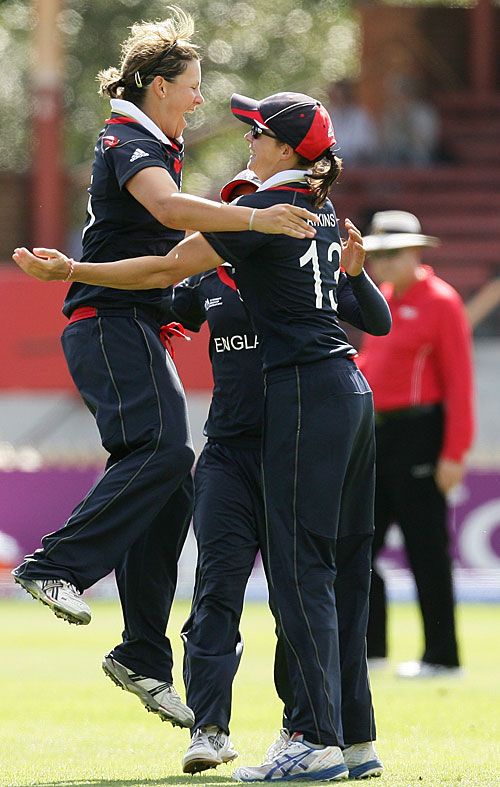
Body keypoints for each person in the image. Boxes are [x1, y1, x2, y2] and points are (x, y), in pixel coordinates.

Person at [13, 89, 392, 781]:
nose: (247, 137)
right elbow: (360, 310)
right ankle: (356, 736)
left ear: (284, 149)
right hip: (351, 393)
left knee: (301, 571)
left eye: (256, 131)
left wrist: (72, 271)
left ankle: (313, 738)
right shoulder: (323, 211)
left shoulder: (253, 214)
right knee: (341, 573)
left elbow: (161, 270)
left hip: (303, 393)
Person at [11, 7, 317, 731]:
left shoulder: (148, 138)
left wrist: (185, 292)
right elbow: (169, 212)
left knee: (171, 482)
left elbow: (169, 257)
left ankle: (143, 654)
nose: (200, 99)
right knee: (166, 452)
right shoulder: (129, 141)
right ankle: (54, 565)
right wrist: (253, 218)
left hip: (131, 325)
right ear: (154, 86)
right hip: (107, 327)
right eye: (191, 85)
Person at [160, 170, 389, 777]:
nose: (239, 219)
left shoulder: (296, 268)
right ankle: (208, 728)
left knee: (299, 592)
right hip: (229, 454)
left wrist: (357, 272)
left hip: (294, 444)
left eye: (246, 208)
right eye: (232, 210)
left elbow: (372, 317)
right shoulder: (208, 281)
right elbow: (160, 304)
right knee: (217, 590)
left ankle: (307, 729)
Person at [358, 210, 475, 678]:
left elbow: (460, 384)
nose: (381, 264)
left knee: (426, 548)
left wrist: (454, 453)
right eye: (378, 255)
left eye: (391, 254)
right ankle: (372, 651)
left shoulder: (441, 302)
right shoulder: (381, 300)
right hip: (377, 435)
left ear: (415, 253)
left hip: (421, 435)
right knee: (359, 545)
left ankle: (442, 657)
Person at [325, 80, 378, 165]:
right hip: (334, 163)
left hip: (358, 164)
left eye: (339, 97)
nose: (336, 100)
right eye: (334, 97)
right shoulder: (330, 116)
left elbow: (366, 144)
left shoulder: (359, 115)